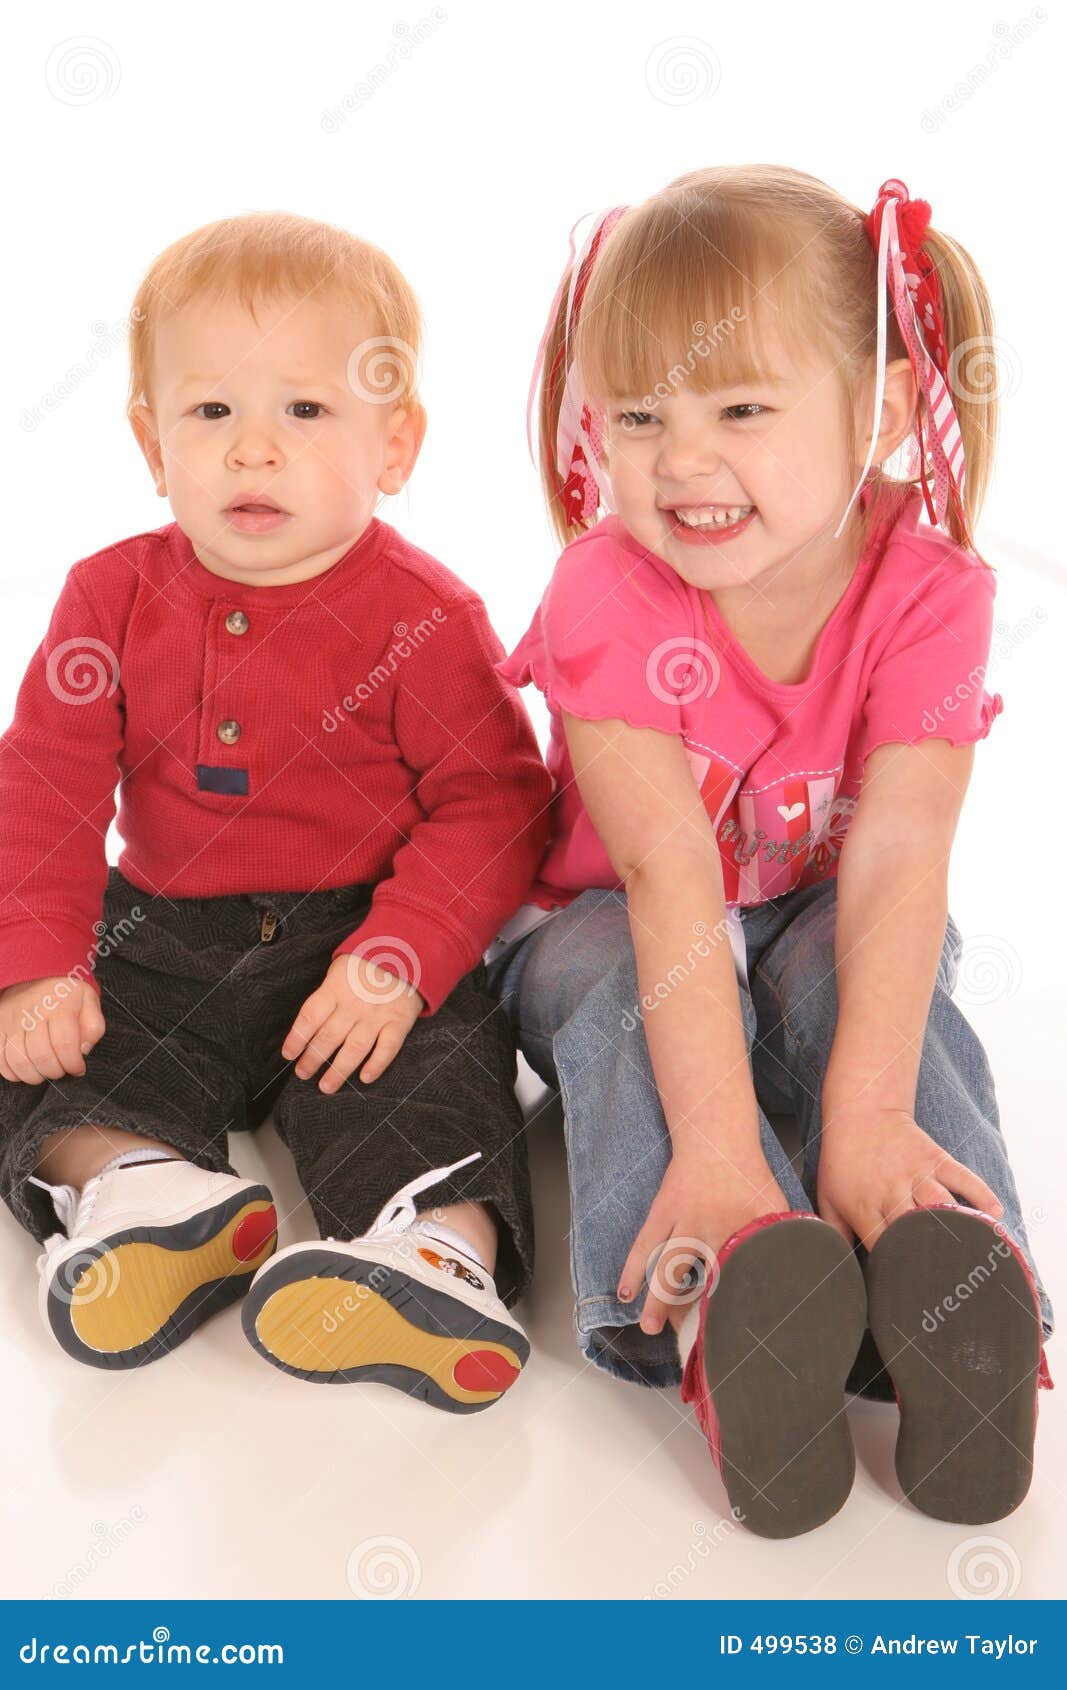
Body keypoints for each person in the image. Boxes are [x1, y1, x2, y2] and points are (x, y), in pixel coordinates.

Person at [487, 167, 1053, 1529]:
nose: (679, 460)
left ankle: (949, 1268)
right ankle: (723, 1282)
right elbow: (666, 876)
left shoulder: (928, 588)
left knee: (871, 1001)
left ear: (879, 404)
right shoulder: (608, 592)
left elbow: (899, 859)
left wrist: (861, 1118)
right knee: (628, 997)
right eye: (637, 416)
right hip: (609, 918)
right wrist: (725, 1150)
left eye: (739, 409)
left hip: (807, 907)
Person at [0, 211, 551, 1415]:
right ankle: (143, 1189)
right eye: (211, 414)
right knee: (39, 1046)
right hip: (160, 936)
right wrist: (39, 966)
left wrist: (398, 959)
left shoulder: (424, 614)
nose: (253, 452)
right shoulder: (109, 593)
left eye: (304, 412)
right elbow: (41, 787)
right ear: (152, 442)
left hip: (356, 940)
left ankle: (435, 1256)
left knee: (439, 1067)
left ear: (393, 443)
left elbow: (497, 806)